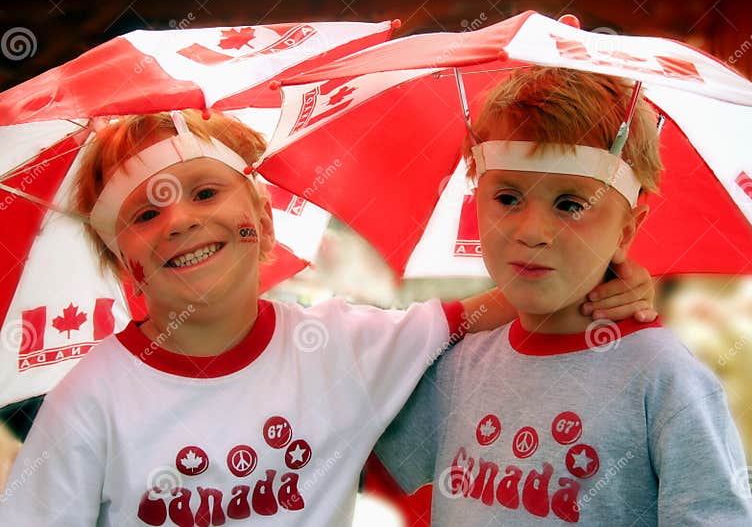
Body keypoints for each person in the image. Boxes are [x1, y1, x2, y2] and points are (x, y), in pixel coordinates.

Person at [0, 109, 654, 526]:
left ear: (261, 217)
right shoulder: (90, 398)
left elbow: (493, 308)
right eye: (144, 215)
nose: (180, 220)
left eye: (205, 191)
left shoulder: (338, 346)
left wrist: (604, 278)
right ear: (127, 266)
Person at [374, 68, 752, 525]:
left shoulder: (665, 379)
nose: (532, 232)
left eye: (571, 205)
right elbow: (356, 473)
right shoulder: (460, 364)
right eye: (507, 197)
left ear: (627, 230)